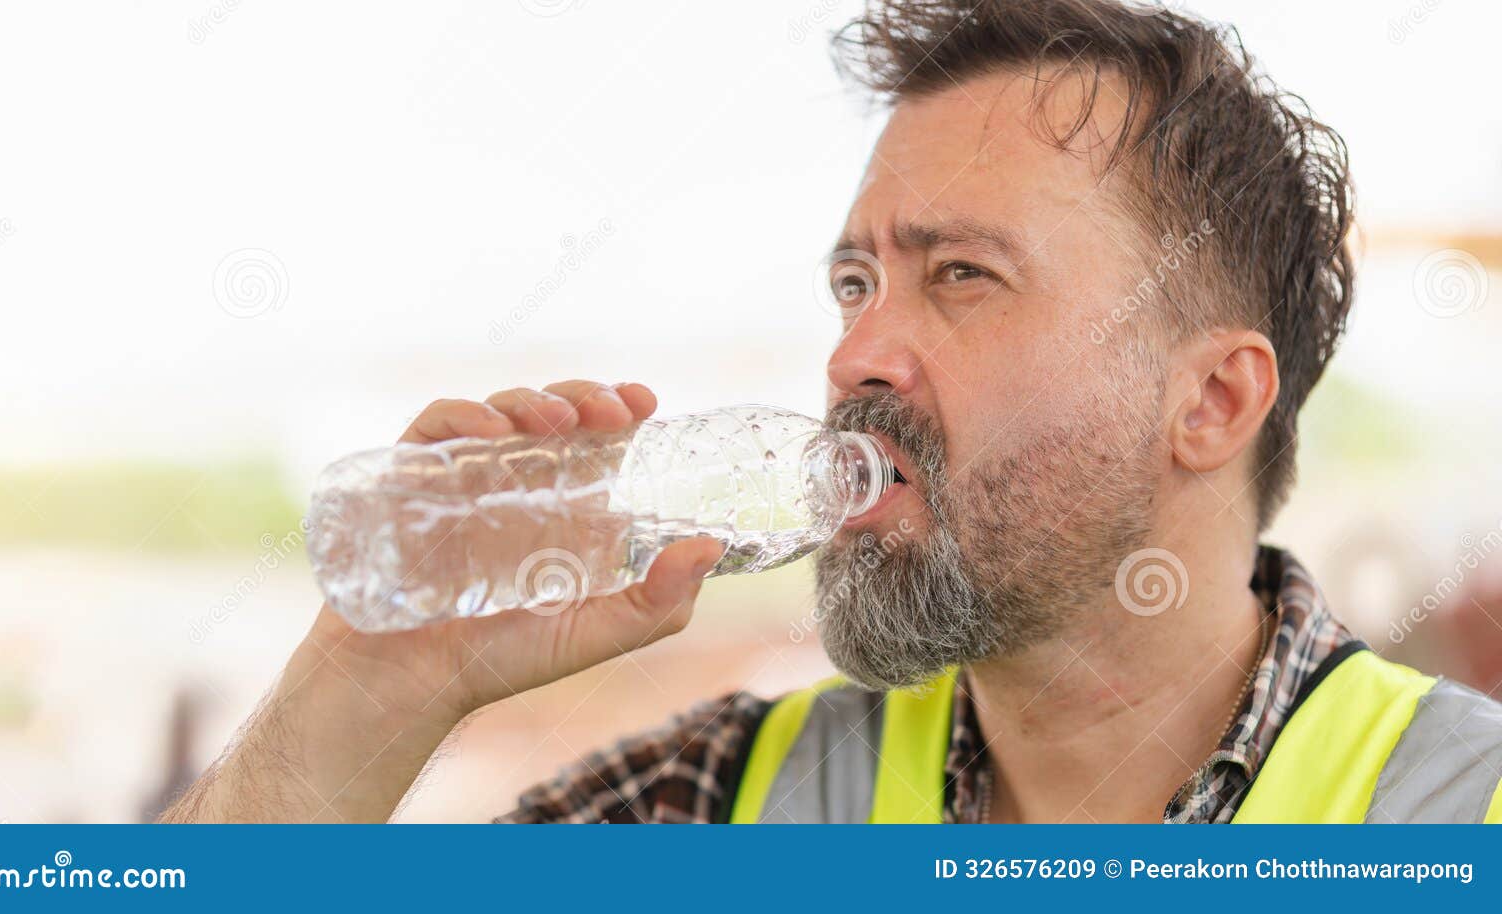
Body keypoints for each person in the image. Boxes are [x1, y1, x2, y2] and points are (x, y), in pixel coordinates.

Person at [162, 0, 1502, 825]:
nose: (858, 350)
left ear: (1210, 399)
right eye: (856, 283)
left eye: (962, 276)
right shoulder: (725, 804)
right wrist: (368, 689)